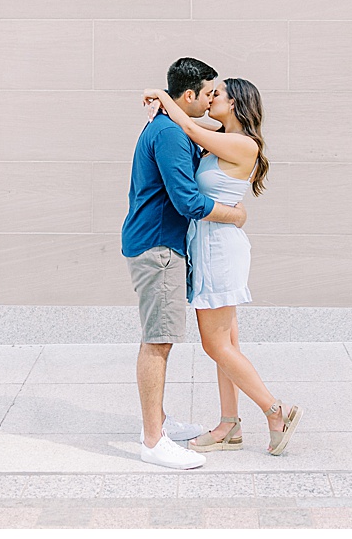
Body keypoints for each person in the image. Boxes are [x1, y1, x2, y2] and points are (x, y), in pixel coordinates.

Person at [143, 76, 302, 457]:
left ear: (235, 104)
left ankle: (274, 410)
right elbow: (194, 127)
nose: (211, 98)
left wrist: (163, 96)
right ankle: (229, 424)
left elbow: (188, 127)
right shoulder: (223, 137)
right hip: (213, 246)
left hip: (219, 250)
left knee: (216, 344)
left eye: (218, 94)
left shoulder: (242, 143)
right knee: (227, 343)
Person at [122, 57, 249, 470]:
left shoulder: (168, 126)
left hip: (157, 243)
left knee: (159, 337)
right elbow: (188, 202)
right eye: (209, 92)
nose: (214, 99)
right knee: (158, 341)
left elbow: (205, 132)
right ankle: (153, 441)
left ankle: (157, 421)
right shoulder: (173, 135)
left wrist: (162, 99)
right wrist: (235, 214)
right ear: (190, 95)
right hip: (159, 248)